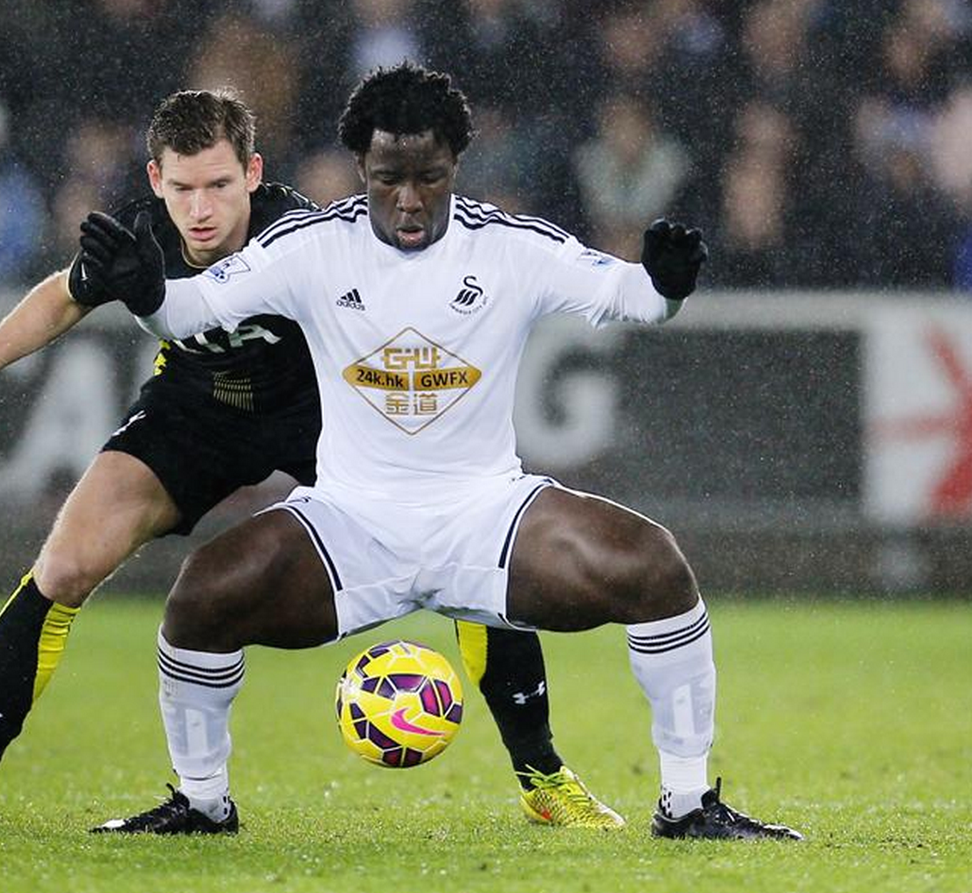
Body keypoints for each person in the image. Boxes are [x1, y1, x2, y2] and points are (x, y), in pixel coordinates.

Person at [81, 63, 803, 841]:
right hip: (349, 522)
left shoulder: (510, 247)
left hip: (484, 515)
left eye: (428, 176)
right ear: (361, 167)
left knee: (656, 566)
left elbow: (631, 295)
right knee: (200, 595)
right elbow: (190, 311)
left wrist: (667, 285)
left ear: (456, 164)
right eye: (388, 178)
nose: (408, 198)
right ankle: (202, 803)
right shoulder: (309, 247)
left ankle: (687, 804)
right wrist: (146, 294)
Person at [0, 88, 619, 831]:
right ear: (155, 180)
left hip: (319, 415)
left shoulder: (300, 233)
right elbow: (64, 295)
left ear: (254, 173)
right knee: (65, 566)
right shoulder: (142, 235)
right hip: (195, 412)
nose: (200, 208)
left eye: (219, 185)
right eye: (183, 188)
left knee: (468, 555)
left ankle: (542, 775)